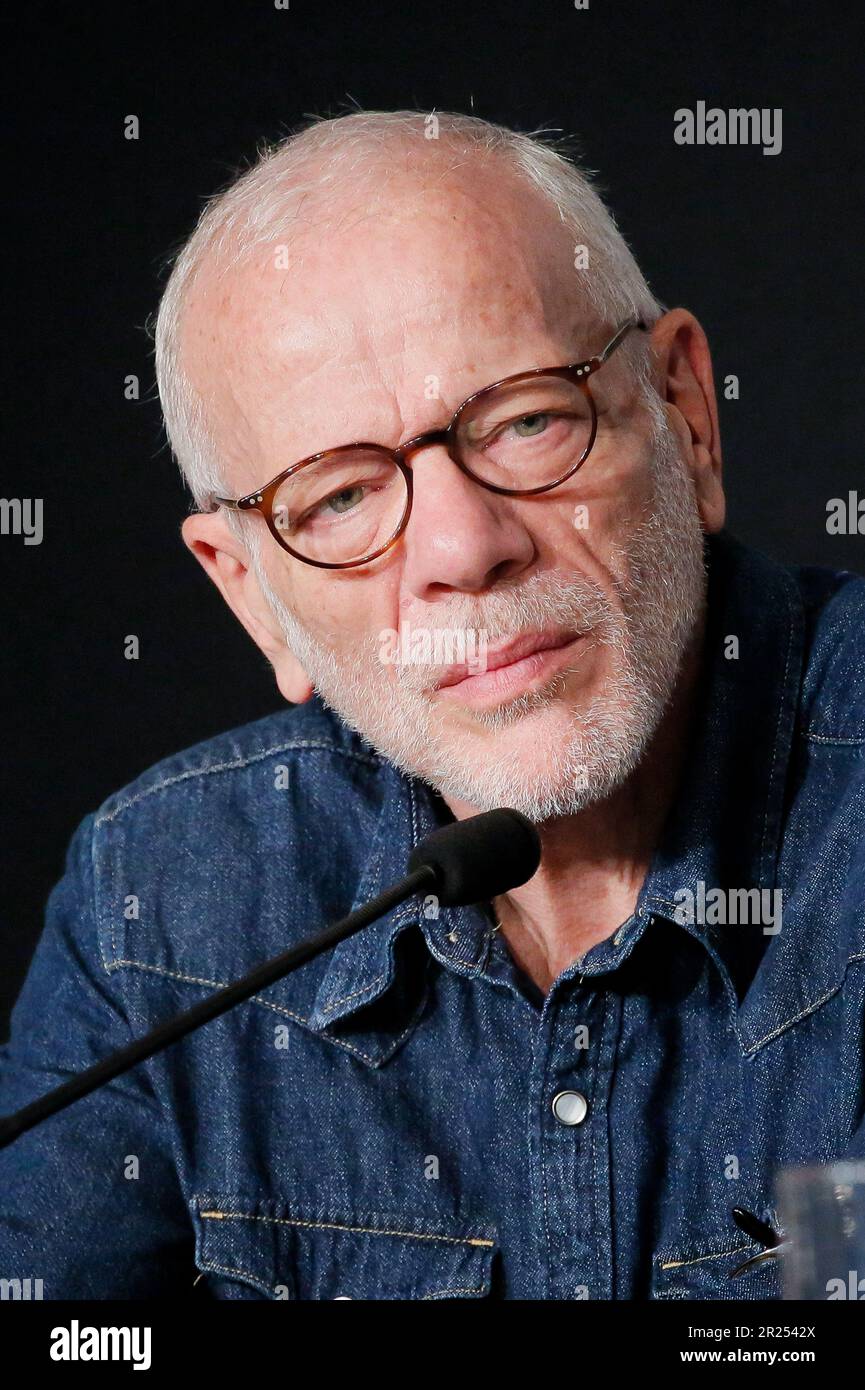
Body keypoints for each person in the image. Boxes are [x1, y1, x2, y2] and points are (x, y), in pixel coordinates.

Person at [1, 109, 863, 1301]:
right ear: (251, 593)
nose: (463, 548)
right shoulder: (154, 905)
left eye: (525, 420)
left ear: (685, 412)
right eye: (342, 497)